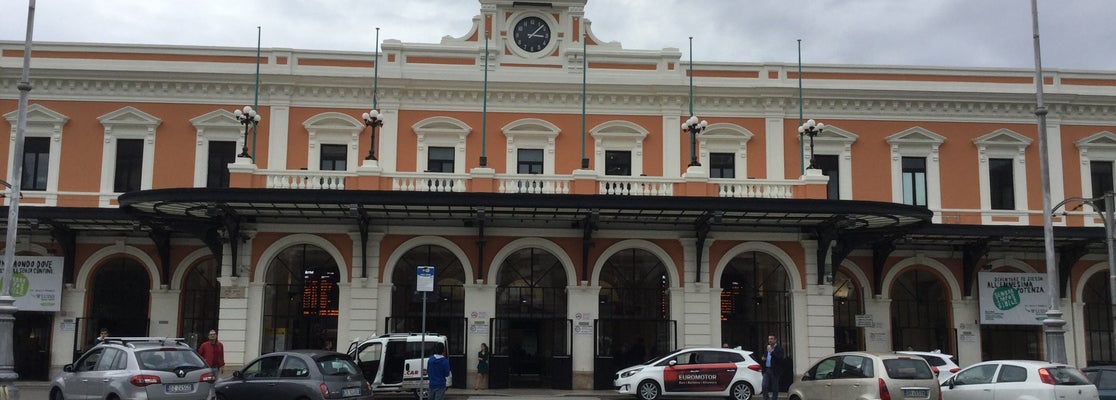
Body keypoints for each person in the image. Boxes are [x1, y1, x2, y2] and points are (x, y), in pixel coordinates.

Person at [760, 335, 785, 400]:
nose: (770, 340)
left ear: (775, 340)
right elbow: (765, 356)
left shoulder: (779, 348)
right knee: (764, 385)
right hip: (767, 369)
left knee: (774, 387)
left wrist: (771, 352)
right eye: (769, 339)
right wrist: (763, 358)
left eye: (771, 339)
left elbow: (780, 358)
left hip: (775, 370)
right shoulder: (767, 348)